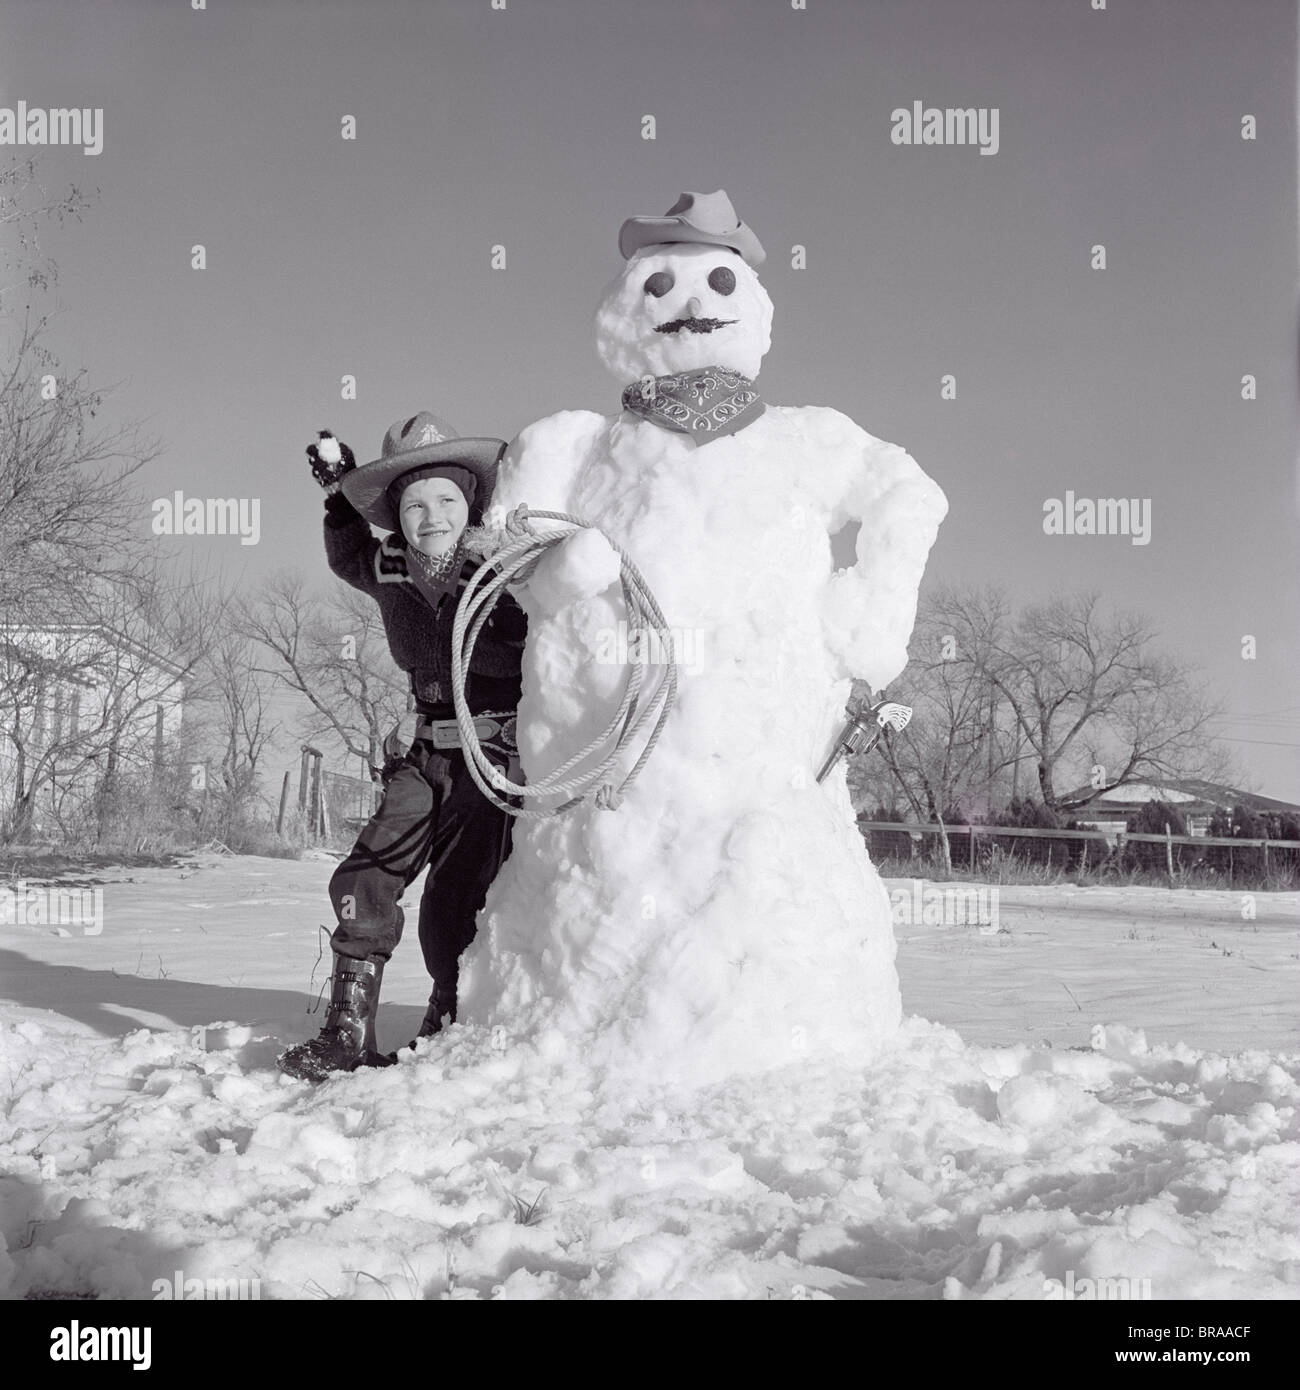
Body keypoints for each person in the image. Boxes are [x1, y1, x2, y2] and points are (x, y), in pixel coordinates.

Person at [278, 412, 526, 1081]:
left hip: (493, 757)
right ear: (397, 514)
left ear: (469, 502)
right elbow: (345, 553)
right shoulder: (387, 566)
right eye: (414, 505)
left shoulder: (510, 568)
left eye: (446, 500)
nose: (431, 515)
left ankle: (447, 1026)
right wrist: (338, 494)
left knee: (457, 897)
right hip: (424, 755)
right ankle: (346, 1034)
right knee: (364, 876)